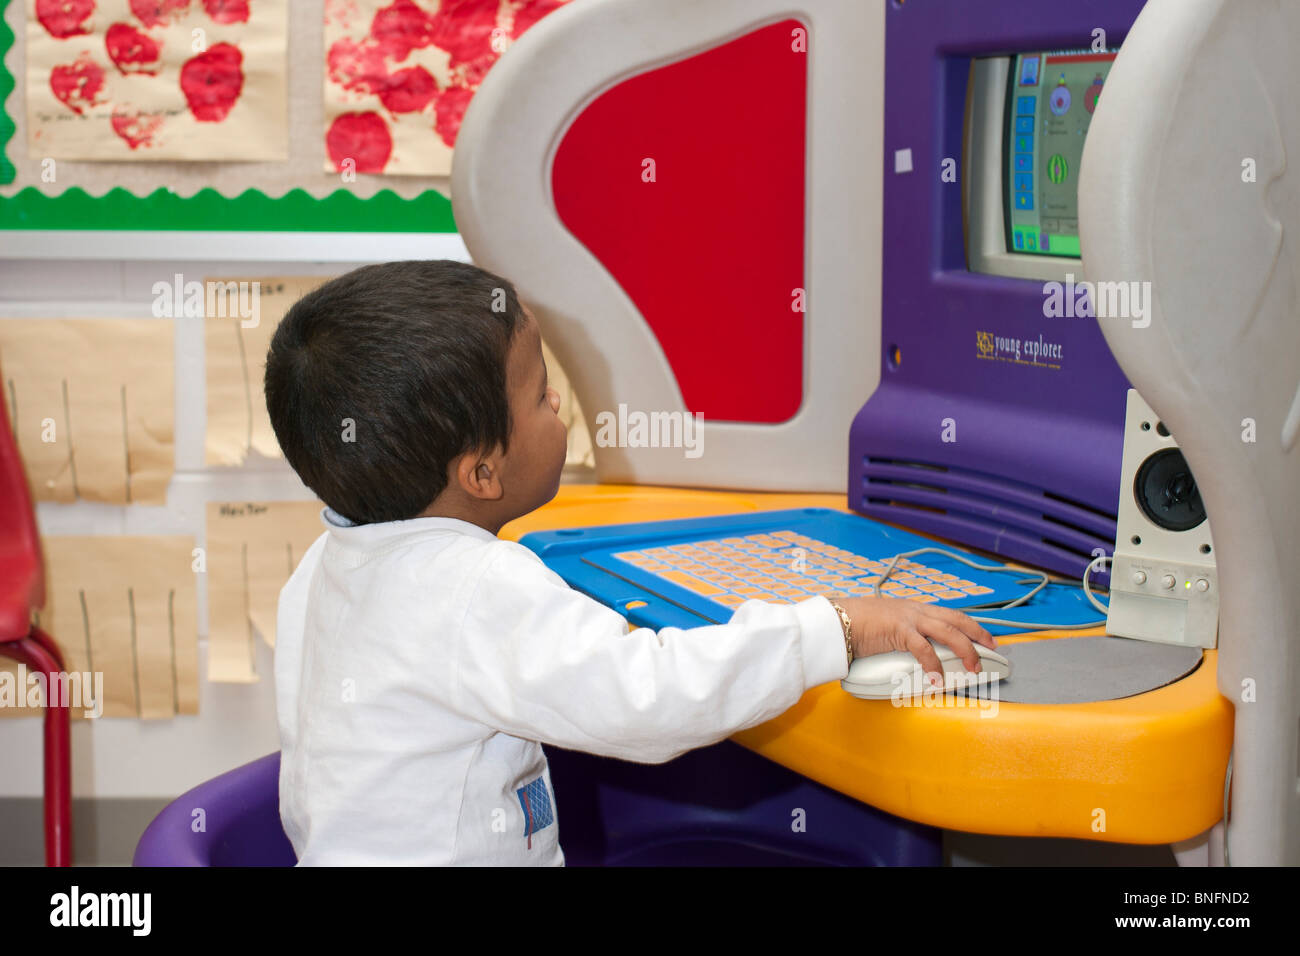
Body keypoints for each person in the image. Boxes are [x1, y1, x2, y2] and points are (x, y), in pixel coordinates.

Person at [263, 259, 996, 865]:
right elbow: (646, 702)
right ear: (481, 474)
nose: (558, 401)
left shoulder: (323, 565)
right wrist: (833, 627)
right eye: (538, 395)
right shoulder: (476, 588)